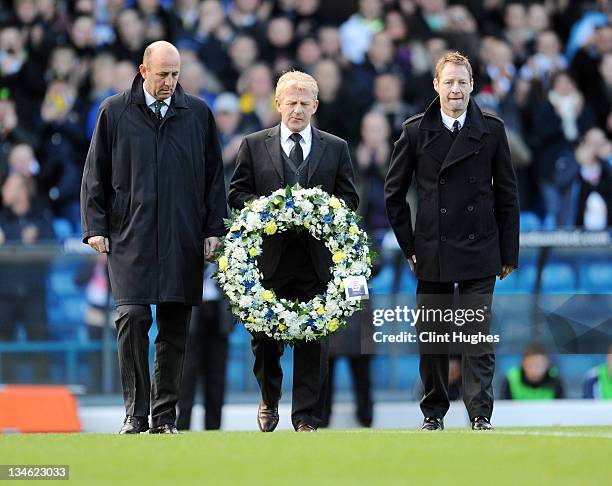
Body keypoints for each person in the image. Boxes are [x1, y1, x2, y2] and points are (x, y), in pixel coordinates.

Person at [80, 40, 227, 434]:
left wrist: (215, 229)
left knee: (176, 327)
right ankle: (135, 413)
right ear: (144, 71)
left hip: (182, 236)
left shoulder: (197, 113)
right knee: (132, 317)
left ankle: (164, 419)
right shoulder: (113, 111)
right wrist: (95, 227)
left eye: (175, 74)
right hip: (131, 235)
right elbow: (95, 174)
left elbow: (215, 178)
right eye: (163, 74)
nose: (169, 82)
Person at [384, 51, 520, 431]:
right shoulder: (414, 130)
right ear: (436, 86)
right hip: (432, 248)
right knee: (433, 339)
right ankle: (433, 414)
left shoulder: (493, 129)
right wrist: (409, 245)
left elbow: (508, 194)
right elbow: (393, 194)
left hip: (481, 248)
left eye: (462, 82)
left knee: (476, 335)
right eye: (449, 82)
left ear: (472, 85)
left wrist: (509, 253)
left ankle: (479, 415)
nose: (455, 89)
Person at [228, 70, 359, 432]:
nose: (297, 110)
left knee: (314, 342)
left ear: (315, 105)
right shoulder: (253, 144)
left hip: (317, 263)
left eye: (304, 103)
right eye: (291, 102)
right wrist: (272, 208)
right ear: (277, 104)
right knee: (265, 341)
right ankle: (269, 399)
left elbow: (350, 198)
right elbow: (237, 194)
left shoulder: (336, 147)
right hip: (269, 262)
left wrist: (319, 208)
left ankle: (306, 417)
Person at [177, 263, 230, 430]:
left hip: (219, 313)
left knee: (217, 375)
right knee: (186, 374)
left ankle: (214, 427)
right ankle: (182, 424)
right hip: (192, 312)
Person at [499, 344, 564, 400]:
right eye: (530, 365)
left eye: (539, 365)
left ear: (547, 364)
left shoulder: (555, 378)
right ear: (523, 364)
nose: (534, 370)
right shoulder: (511, 379)